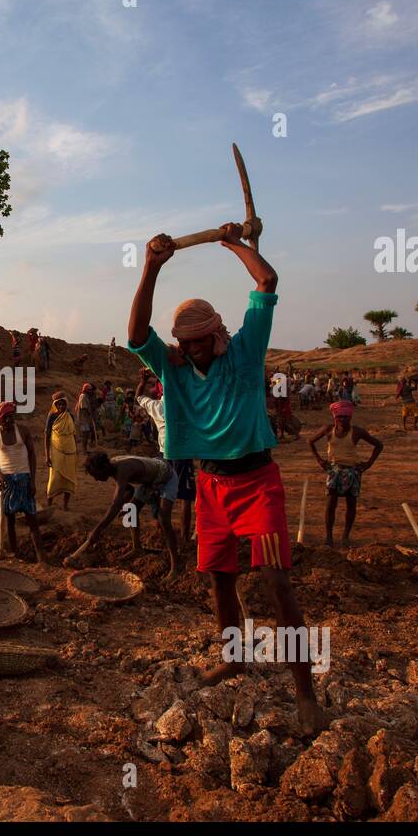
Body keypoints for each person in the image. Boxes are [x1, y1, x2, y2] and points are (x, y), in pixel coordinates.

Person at [127, 226, 324, 736]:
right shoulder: (171, 368)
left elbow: (267, 279)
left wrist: (232, 242)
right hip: (211, 486)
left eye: (199, 343)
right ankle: (234, 658)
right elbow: (134, 334)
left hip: (257, 482)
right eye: (184, 345)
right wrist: (152, 266)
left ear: (217, 334)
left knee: (277, 582)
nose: (191, 352)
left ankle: (305, 692)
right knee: (220, 578)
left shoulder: (244, 352)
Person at [68, 452, 181, 580]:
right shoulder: (113, 467)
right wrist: (126, 502)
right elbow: (130, 490)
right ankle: (136, 547)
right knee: (130, 510)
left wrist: (97, 530)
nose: (97, 479)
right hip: (149, 479)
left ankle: (174, 566)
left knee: (163, 519)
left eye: (96, 475)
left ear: (104, 467)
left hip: (166, 477)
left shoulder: (122, 470)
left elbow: (114, 505)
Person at [308, 400, 383, 546]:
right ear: (335, 418)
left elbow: (379, 445)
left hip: (352, 471)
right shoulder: (328, 430)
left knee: (351, 504)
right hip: (334, 470)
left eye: (345, 417)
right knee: (330, 504)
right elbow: (310, 441)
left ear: (350, 417)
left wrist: (368, 464)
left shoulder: (357, 432)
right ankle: (329, 537)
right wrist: (320, 460)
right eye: (340, 417)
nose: (342, 419)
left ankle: (345, 536)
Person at [136, 369, 194, 554]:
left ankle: (162, 531)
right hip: (183, 454)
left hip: (164, 454)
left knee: (162, 494)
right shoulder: (185, 404)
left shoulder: (156, 407)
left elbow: (138, 396)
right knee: (185, 498)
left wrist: (143, 381)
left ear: (160, 392)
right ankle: (184, 538)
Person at [0, 401, 45, 563]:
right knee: (10, 520)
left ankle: (41, 557)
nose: (9, 421)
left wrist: (32, 481)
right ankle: (17, 554)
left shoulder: (23, 431)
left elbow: (32, 455)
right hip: (6, 481)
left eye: (11, 417)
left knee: (32, 520)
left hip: (24, 479)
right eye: (5, 418)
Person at [45, 390, 78, 510]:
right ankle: (49, 504)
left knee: (69, 477)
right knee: (54, 478)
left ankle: (65, 505)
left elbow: (74, 434)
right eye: (58, 404)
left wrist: (77, 450)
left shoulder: (70, 416)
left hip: (71, 451)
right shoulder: (52, 416)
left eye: (63, 404)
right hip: (55, 450)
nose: (61, 406)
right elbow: (47, 435)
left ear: (66, 404)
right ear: (54, 404)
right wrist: (47, 455)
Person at [75, 382, 98, 451]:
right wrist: (91, 414)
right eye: (89, 390)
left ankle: (85, 449)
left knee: (87, 434)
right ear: (85, 390)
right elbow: (84, 408)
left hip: (86, 419)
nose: (90, 391)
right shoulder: (83, 396)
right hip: (83, 419)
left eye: (91, 390)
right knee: (85, 435)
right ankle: (84, 450)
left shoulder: (86, 396)